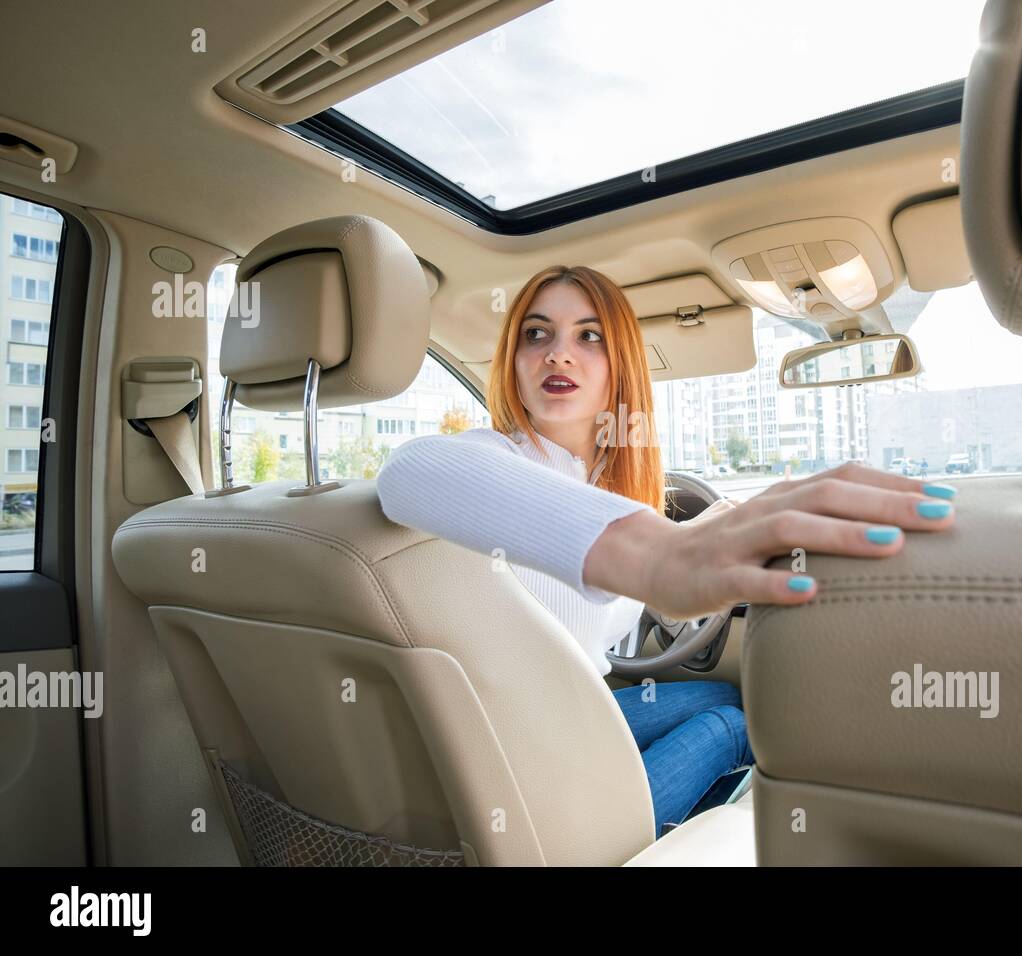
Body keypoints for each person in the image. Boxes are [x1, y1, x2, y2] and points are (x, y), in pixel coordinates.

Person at [377, 265, 958, 838]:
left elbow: (628, 612)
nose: (558, 353)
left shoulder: (608, 492)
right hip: (526, 771)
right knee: (738, 726)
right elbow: (408, 469)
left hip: (571, 719)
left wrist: (693, 537)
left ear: (620, 365)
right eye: (537, 334)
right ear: (514, 360)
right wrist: (664, 555)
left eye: (589, 336)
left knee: (730, 694)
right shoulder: (496, 458)